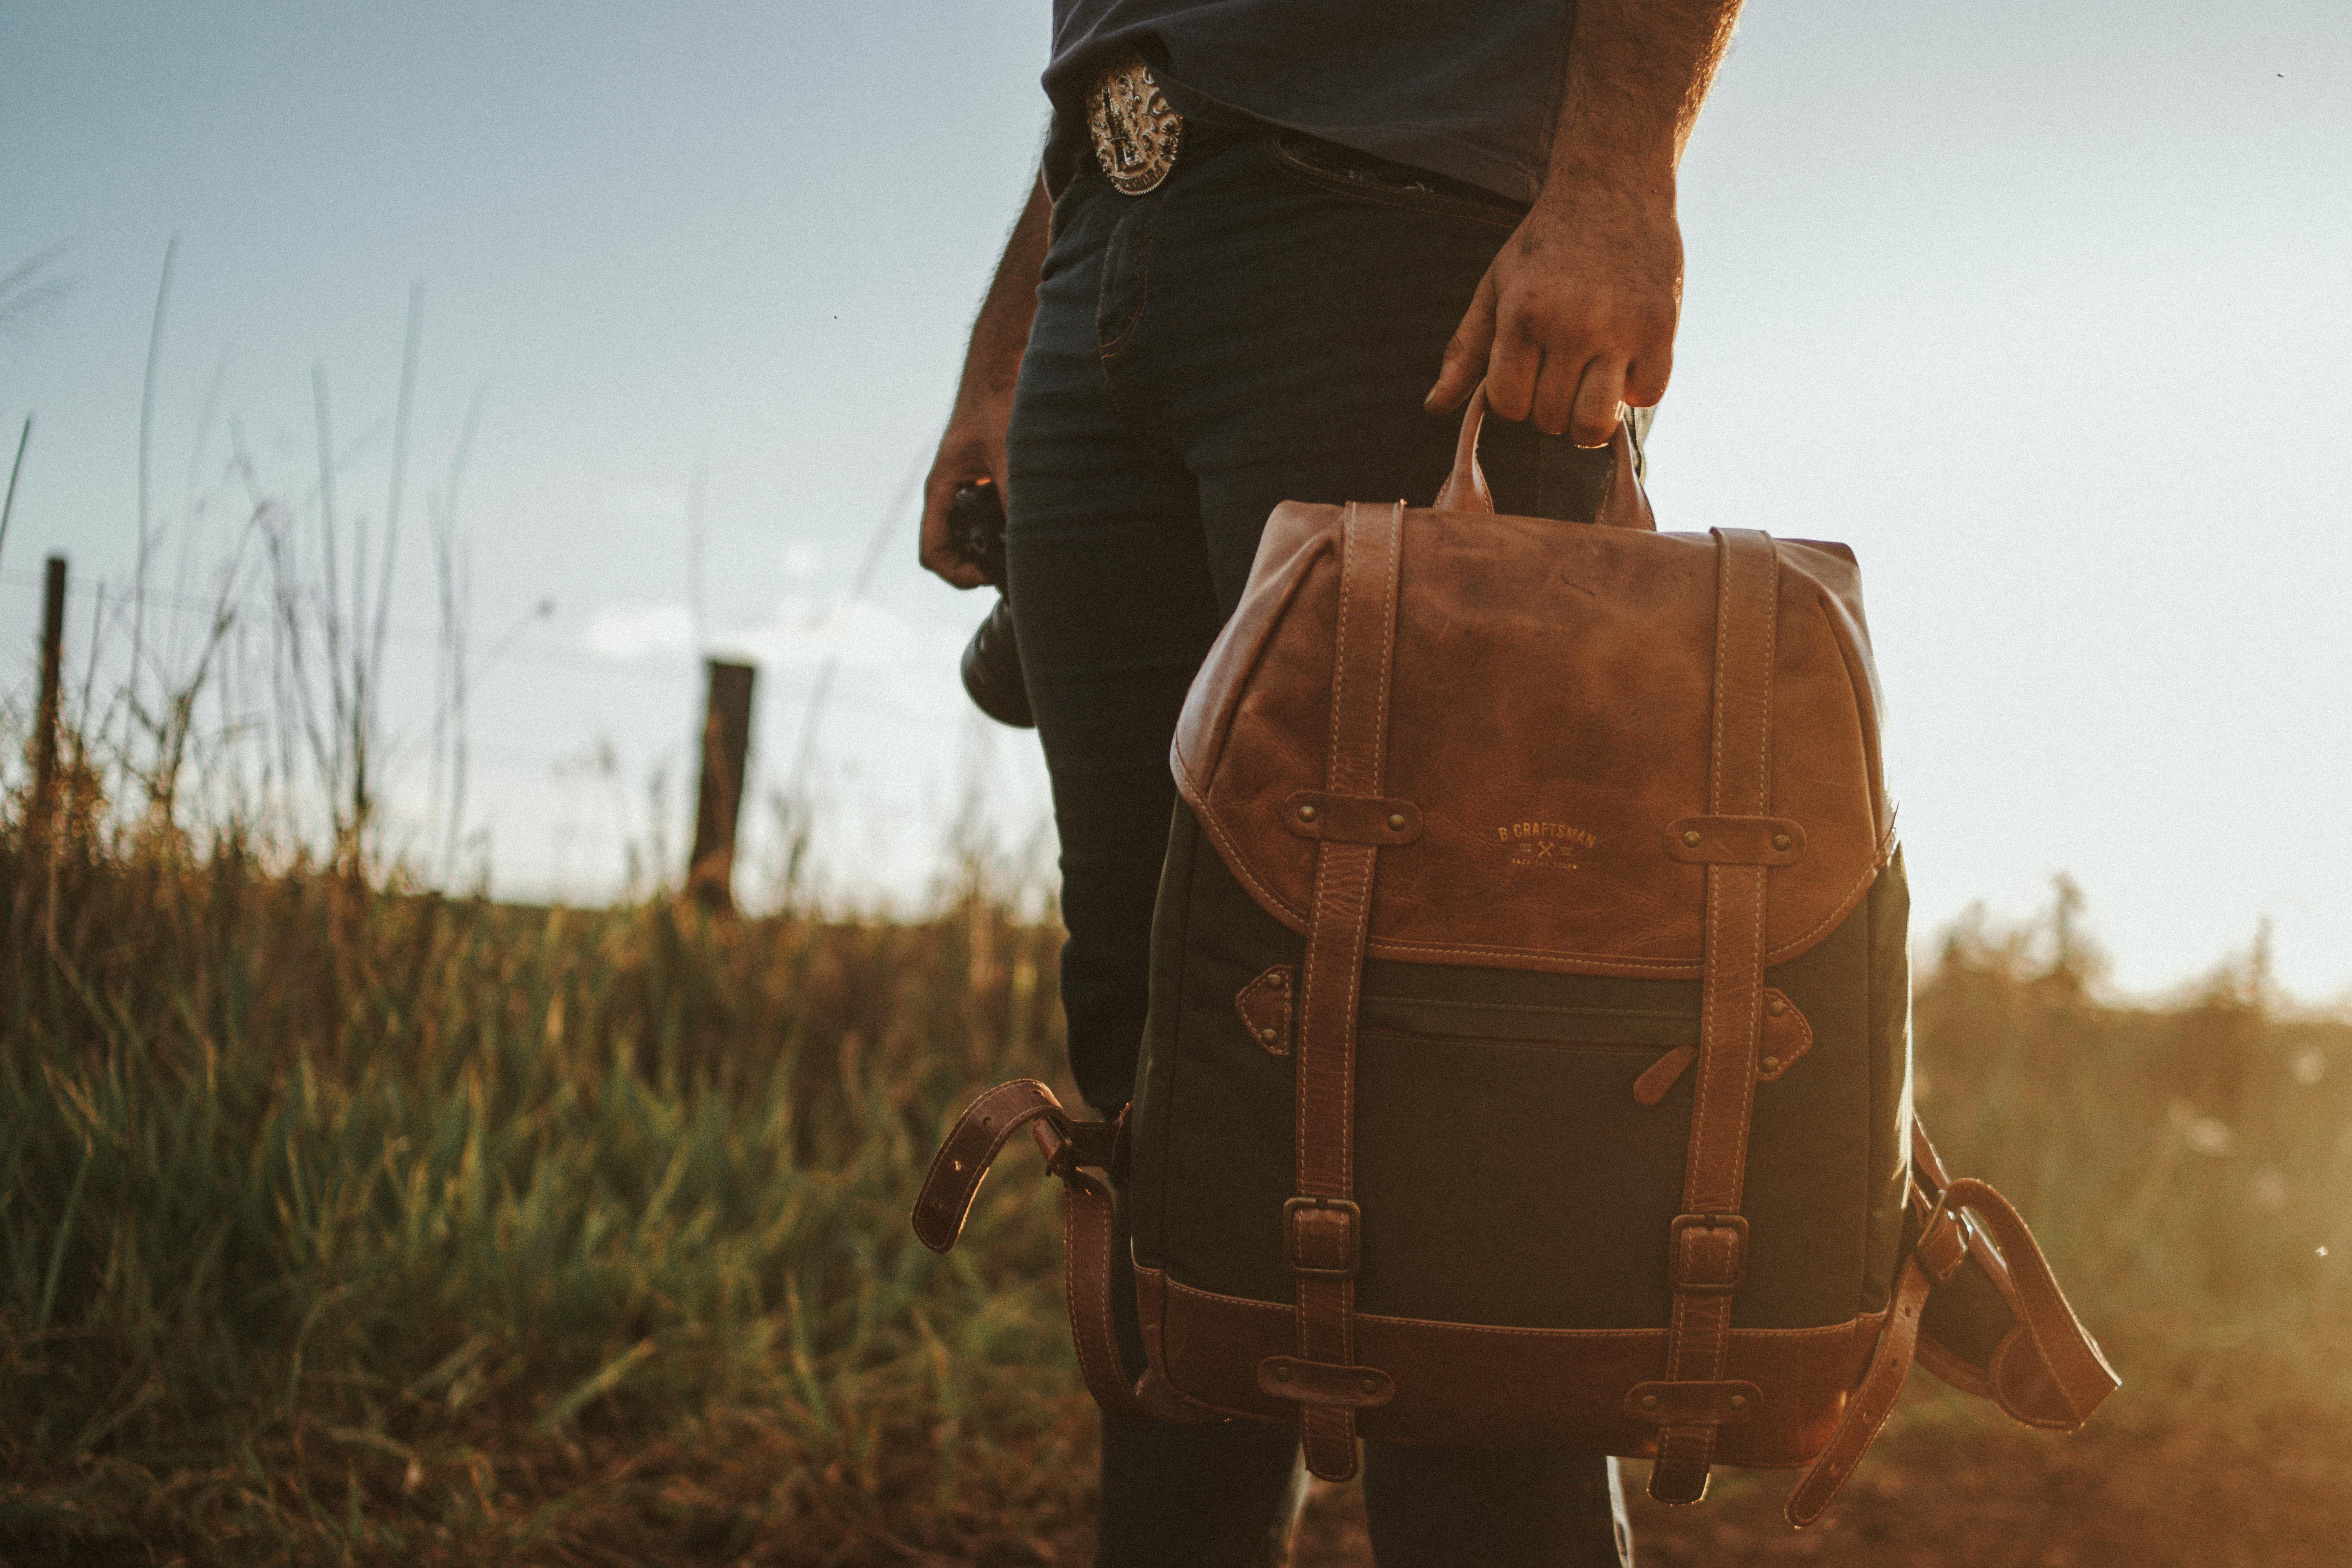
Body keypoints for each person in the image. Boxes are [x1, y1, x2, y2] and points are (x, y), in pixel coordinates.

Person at [919, 4, 1745, 1563]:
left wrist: (1622, 179)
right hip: (1108, 264)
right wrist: (1012, 349)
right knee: (1159, 1076)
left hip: (1390, 235)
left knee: (1455, 1095)